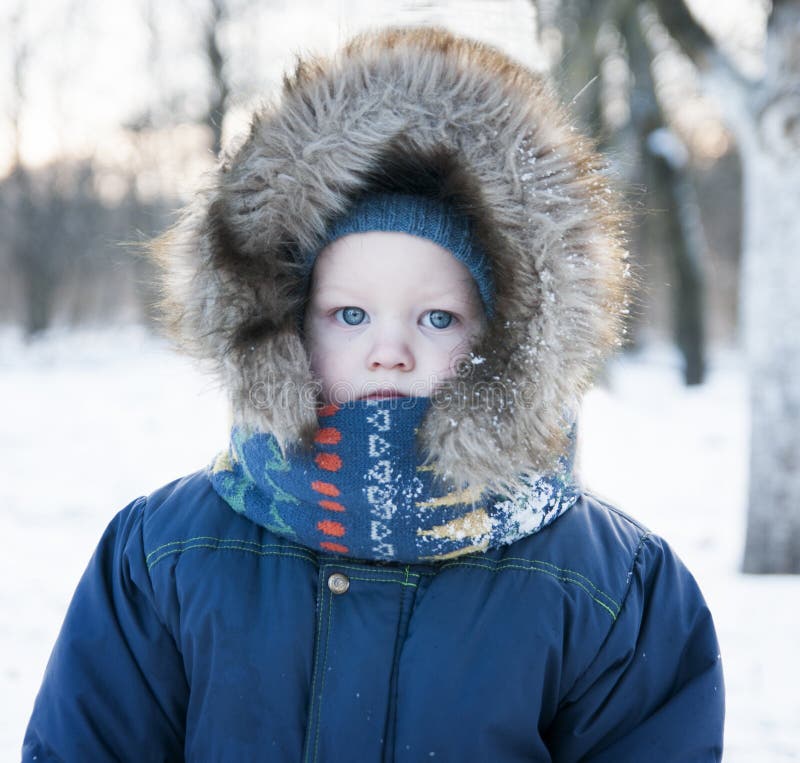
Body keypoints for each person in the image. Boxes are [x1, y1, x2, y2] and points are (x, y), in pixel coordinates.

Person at [23, 26, 724, 761]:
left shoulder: (612, 586)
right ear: (280, 322)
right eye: (351, 315)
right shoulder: (165, 557)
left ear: (512, 338)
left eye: (439, 317)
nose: (390, 351)